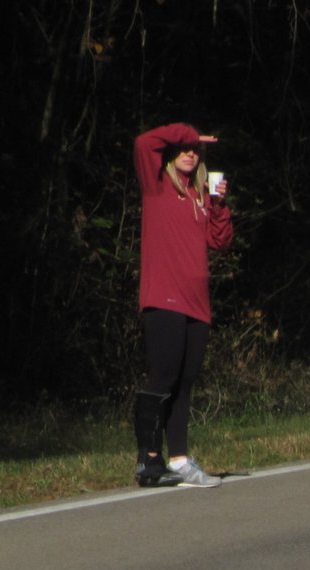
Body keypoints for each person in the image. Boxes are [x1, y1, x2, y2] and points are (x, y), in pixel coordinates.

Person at [132, 122, 234, 488]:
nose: (191, 153)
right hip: (163, 297)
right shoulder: (156, 185)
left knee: (185, 382)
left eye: (196, 150)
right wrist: (187, 132)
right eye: (184, 148)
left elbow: (219, 241)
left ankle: (179, 459)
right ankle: (149, 459)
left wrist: (219, 205)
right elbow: (144, 142)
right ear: (173, 152)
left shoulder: (199, 196)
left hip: (197, 304)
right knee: (164, 377)